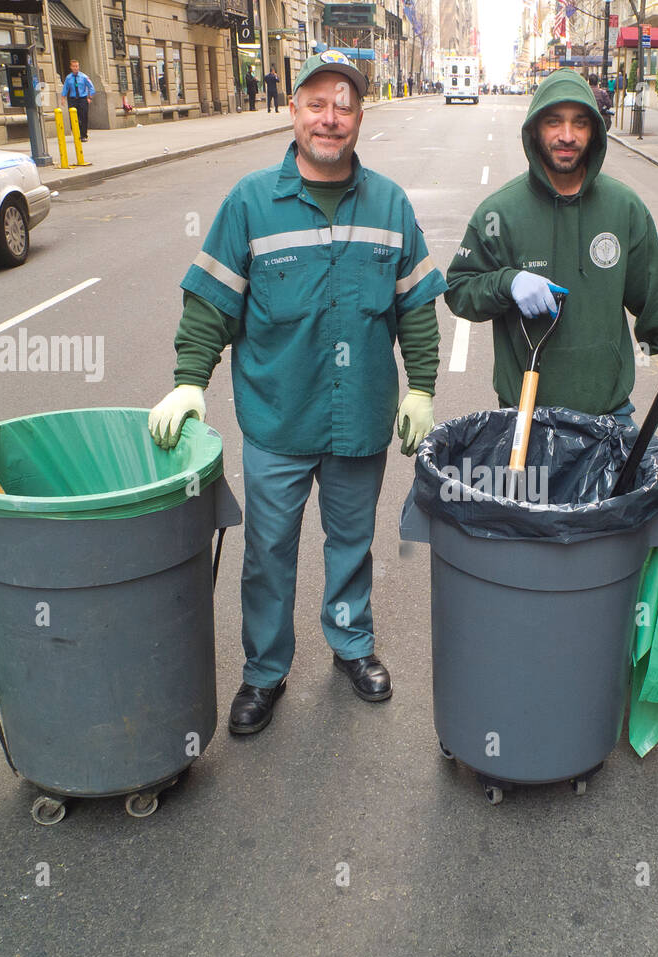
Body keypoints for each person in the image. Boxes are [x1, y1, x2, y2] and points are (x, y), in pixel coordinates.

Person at [148, 51, 447, 735]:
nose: (330, 118)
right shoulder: (251, 203)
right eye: (317, 103)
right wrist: (189, 383)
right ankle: (264, 671)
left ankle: (351, 644)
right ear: (294, 110)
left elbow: (417, 308)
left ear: (360, 117)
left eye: (344, 105)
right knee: (269, 552)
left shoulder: (391, 204)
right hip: (278, 421)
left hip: (361, 418)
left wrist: (421, 389)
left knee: (350, 544)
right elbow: (210, 306)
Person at [445, 68, 658, 428]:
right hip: (526, 416)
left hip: (609, 415)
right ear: (535, 130)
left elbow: (652, 301)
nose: (567, 136)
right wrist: (507, 283)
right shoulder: (500, 212)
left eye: (580, 123)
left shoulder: (624, 208)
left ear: (594, 132)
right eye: (554, 122)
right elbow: (459, 291)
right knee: (530, 488)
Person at [62, 59, 95, 142]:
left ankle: (84, 135)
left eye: (77, 66)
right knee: (74, 117)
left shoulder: (84, 77)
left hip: (83, 99)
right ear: (71, 67)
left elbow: (91, 87)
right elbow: (65, 88)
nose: (76, 68)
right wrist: (63, 98)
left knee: (83, 117)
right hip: (73, 99)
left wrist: (90, 97)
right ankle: (77, 134)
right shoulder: (68, 78)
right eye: (74, 66)